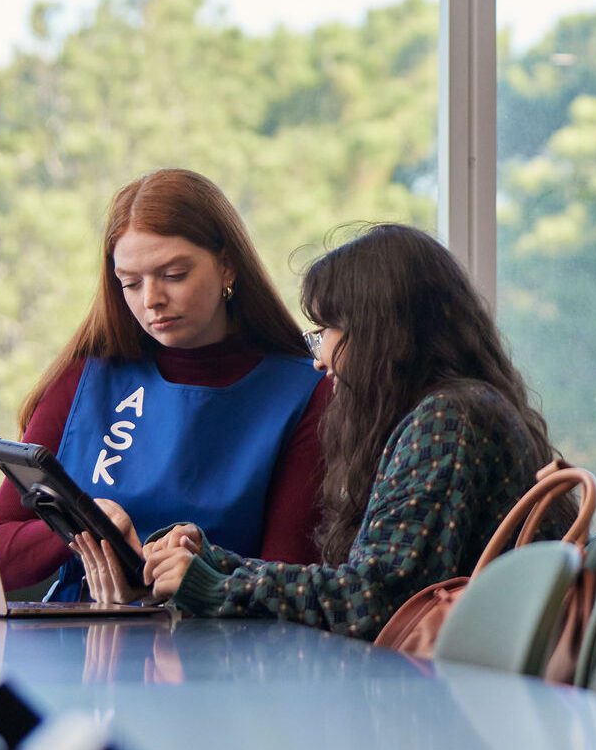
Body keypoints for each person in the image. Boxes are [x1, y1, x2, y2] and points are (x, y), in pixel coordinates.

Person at [73, 223, 566, 640]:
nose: (318, 355)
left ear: (378, 331)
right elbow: (369, 586)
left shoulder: (447, 422)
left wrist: (212, 585)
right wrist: (212, 561)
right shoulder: (462, 409)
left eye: (327, 330)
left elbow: (373, 601)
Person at [0, 168, 330, 599]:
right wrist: (83, 524)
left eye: (173, 275)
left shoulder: (305, 392)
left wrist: (193, 577)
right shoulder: (83, 378)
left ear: (227, 266)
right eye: (130, 282)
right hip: (75, 645)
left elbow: (291, 578)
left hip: (220, 653)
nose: (151, 300)